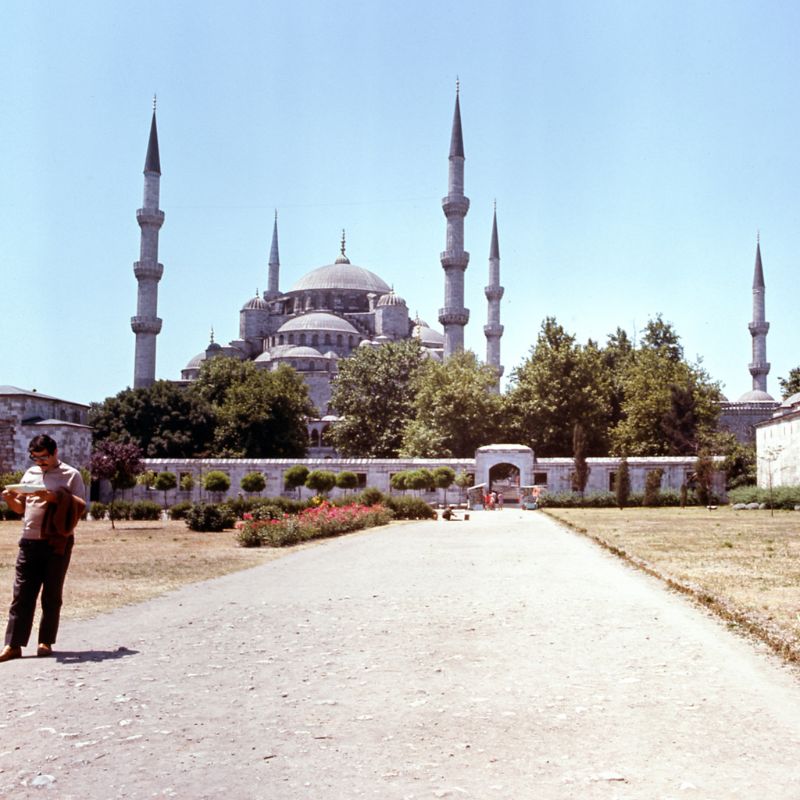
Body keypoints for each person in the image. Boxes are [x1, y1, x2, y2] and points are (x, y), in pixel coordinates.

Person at [0, 435, 86, 663]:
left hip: (56, 542)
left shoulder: (71, 475)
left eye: (44, 457)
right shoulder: (30, 474)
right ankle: (13, 645)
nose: (40, 462)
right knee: (21, 595)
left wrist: (55, 497)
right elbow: (21, 508)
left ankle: (45, 641)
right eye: (35, 458)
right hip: (28, 541)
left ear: (55, 452)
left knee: (51, 594)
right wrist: (9, 499)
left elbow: (80, 507)